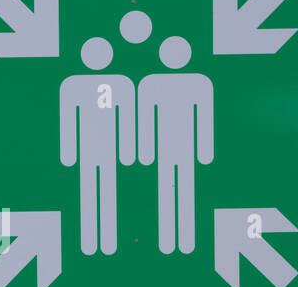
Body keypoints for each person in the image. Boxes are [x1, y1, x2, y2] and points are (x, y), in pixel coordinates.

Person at [138, 36, 214, 254]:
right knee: (168, 190)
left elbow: (204, 119)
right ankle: (169, 241)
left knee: (183, 190)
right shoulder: (150, 84)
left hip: (184, 149)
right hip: (167, 149)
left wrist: (205, 151)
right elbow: (145, 121)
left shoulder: (199, 83)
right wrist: (145, 152)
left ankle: (185, 241)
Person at [60, 36, 135, 256]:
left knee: (105, 191)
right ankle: (91, 242)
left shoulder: (122, 84)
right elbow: (68, 121)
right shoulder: (72, 85)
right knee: (91, 193)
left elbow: (128, 120)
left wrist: (128, 152)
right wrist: (68, 153)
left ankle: (106, 241)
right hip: (91, 152)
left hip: (104, 151)